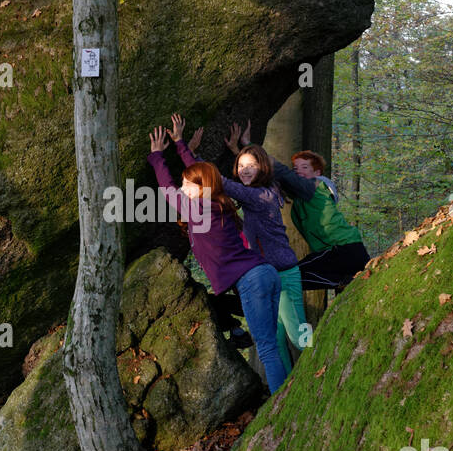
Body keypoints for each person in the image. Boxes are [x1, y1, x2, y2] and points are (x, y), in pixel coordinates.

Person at [147, 126, 288, 393]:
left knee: (267, 347)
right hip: (265, 274)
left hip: (252, 280)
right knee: (270, 341)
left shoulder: (198, 208)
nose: (184, 187)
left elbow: (168, 189)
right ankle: (283, 391)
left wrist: (157, 155)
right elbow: (206, 175)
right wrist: (180, 145)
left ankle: (282, 404)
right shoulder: (219, 204)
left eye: (188, 184)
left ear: (201, 188)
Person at [169, 114, 307, 374]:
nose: (243, 169)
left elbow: (211, 181)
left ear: (263, 167)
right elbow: (210, 183)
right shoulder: (256, 192)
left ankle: (330, 355)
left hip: (284, 273)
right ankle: (286, 397)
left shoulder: (262, 196)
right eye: (240, 164)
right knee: (274, 341)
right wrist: (240, 146)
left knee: (299, 337)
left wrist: (181, 146)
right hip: (264, 274)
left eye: (250, 165)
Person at [227, 125, 370, 292]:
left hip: (343, 249)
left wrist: (248, 145)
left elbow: (281, 172)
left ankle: (343, 281)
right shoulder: (301, 197)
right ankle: (344, 282)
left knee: (291, 276)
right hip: (337, 253)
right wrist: (237, 152)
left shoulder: (315, 187)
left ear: (317, 172)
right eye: (296, 168)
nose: (298, 172)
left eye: (304, 167)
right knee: (295, 281)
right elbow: (261, 176)